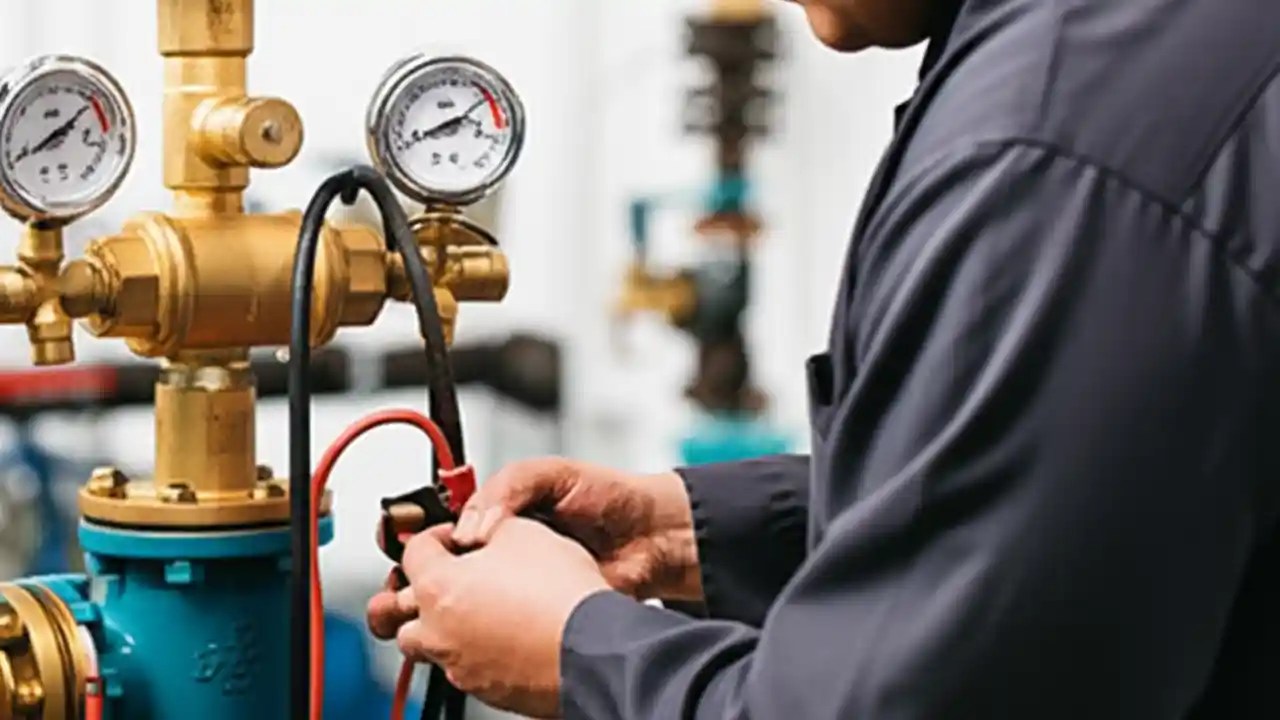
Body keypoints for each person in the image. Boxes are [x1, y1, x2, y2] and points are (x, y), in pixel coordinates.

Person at [370, 0, 1280, 716]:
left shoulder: (1046, 151)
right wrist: (691, 531)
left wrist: (576, 648)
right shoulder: (1139, 46)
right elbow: (1104, 494)